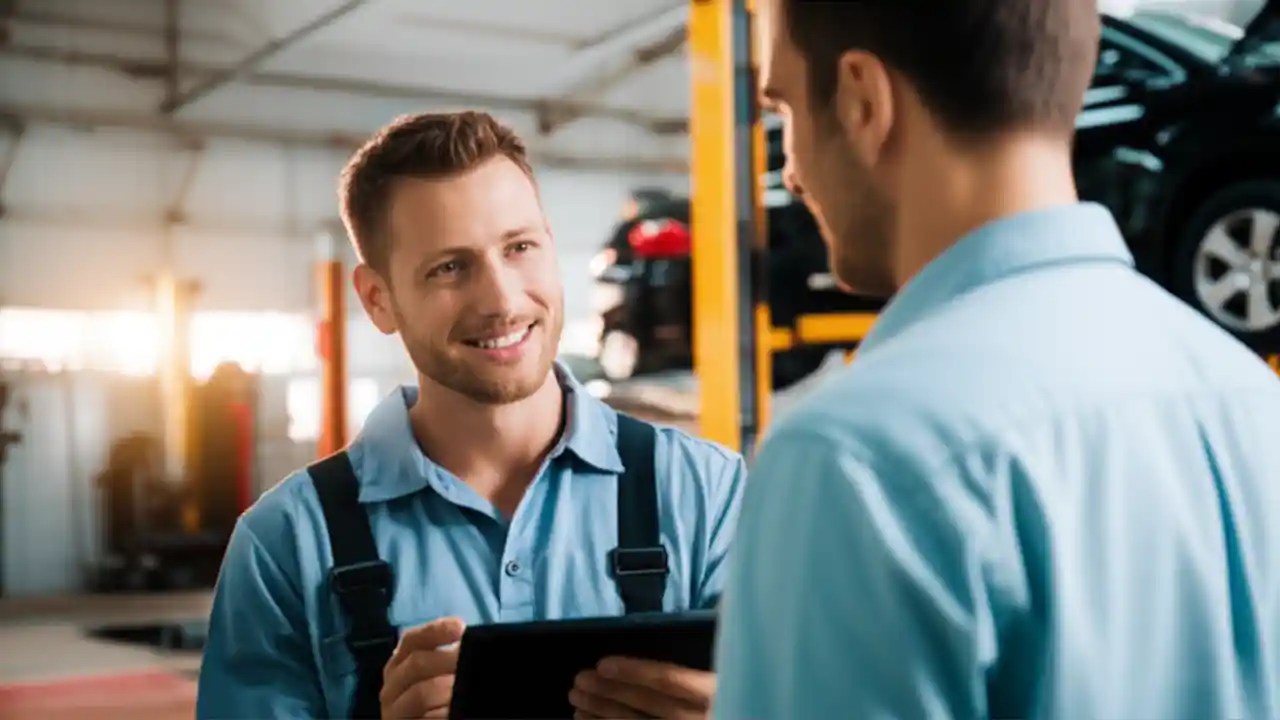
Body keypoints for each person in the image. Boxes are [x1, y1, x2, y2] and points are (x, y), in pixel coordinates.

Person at [712, 1, 1280, 719]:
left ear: (861, 98)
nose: (789, 169)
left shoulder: (856, 460)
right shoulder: (1249, 401)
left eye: (787, 108)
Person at [196, 111, 746, 720]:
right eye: (450, 268)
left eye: (520, 247)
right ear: (378, 299)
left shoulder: (709, 496)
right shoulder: (285, 546)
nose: (503, 300)